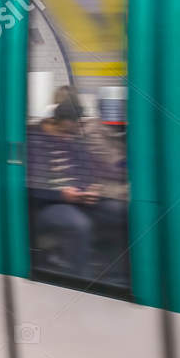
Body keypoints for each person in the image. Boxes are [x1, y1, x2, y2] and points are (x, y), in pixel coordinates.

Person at [26, 92, 128, 284]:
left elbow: (86, 170)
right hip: (48, 203)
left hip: (78, 198)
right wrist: (62, 194)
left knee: (121, 211)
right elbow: (32, 185)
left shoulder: (74, 138)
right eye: (66, 132)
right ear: (58, 122)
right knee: (79, 225)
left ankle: (114, 275)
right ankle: (80, 278)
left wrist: (90, 187)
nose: (69, 137)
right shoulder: (35, 141)